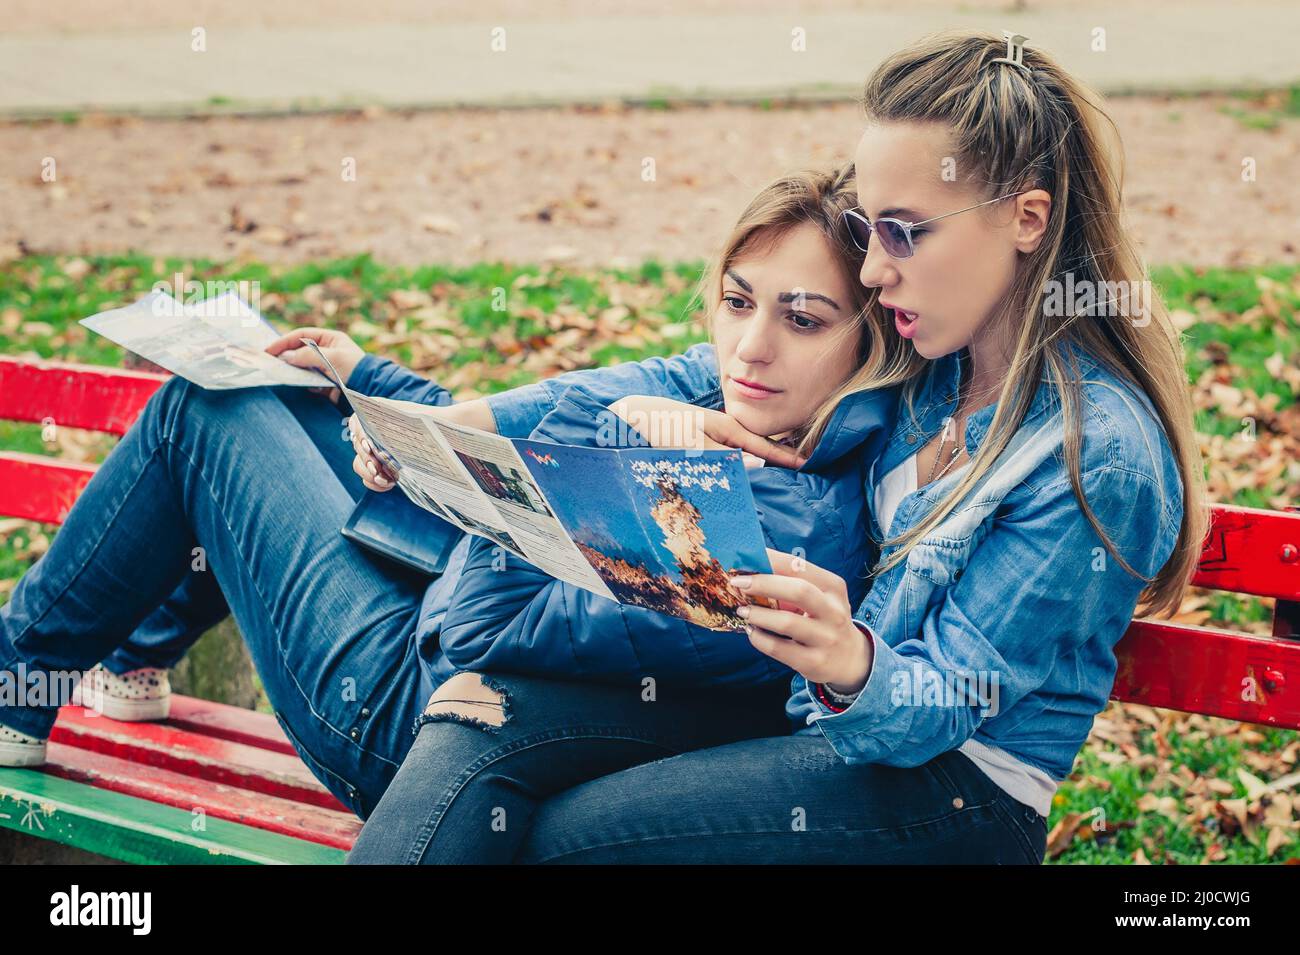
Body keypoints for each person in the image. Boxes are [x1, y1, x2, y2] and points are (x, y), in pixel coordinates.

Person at [349, 29, 1208, 864]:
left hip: (955, 797)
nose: (873, 270)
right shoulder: (929, 357)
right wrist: (458, 418)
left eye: (905, 232)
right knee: (492, 722)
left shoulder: (1095, 450)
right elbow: (696, 368)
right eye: (870, 231)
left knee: (560, 837)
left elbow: (955, 695)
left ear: (1027, 219)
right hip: (818, 727)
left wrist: (853, 662)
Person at [0, 165, 912, 836]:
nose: (748, 347)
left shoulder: (774, 540)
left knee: (203, 413)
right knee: (272, 384)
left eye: (802, 319)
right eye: (736, 300)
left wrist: (606, 447)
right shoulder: (748, 401)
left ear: (869, 341)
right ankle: (133, 655)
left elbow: (485, 630)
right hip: (429, 611)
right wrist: (373, 385)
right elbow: (555, 411)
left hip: (410, 717)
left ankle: (16, 682)